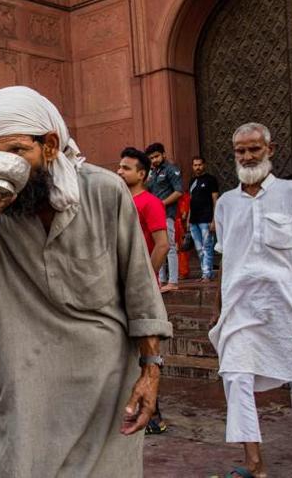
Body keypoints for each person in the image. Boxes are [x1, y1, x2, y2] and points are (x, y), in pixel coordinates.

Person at [0, 86, 172, 477]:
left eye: (18, 152)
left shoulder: (103, 191)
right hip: (29, 386)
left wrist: (150, 372)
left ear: (49, 145)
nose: (8, 166)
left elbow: (140, 289)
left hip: (107, 381)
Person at [209, 122, 292, 477]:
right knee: (236, 379)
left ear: (271, 149)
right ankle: (255, 465)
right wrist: (218, 309)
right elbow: (224, 256)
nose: (248, 156)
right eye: (241, 151)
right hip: (240, 308)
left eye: (255, 149)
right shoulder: (226, 204)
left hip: (289, 305)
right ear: (234, 154)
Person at [117, 147, 170, 435]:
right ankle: (151, 414)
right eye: (119, 166)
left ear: (142, 175)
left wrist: (145, 281)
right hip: (119, 287)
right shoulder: (117, 201)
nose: (120, 171)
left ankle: (153, 413)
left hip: (139, 290)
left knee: (147, 351)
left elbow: (162, 244)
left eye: (126, 168)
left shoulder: (150, 203)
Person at [145, 142, 183, 292]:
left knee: (170, 247)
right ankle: (161, 280)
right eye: (151, 158)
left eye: (156, 156)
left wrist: (161, 204)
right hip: (154, 216)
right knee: (157, 247)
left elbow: (179, 191)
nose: (154, 160)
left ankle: (173, 282)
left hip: (167, 214)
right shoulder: (152, 173)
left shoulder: (171, 170)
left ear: (164, 155)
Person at [186, 156, 220, 281]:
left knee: (207, 247)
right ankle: (205, 273)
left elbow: (215, 199)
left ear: (204, 165)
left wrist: (214, 219)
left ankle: (206, 274)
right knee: (199, 249)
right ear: (192, 166)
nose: (197, 167)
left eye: (199, 165)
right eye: (195, 165)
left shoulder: (211, 180)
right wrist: (188, 219)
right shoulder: (192, 181)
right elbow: (190, 201)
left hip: (206, 218)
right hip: (194, 220)